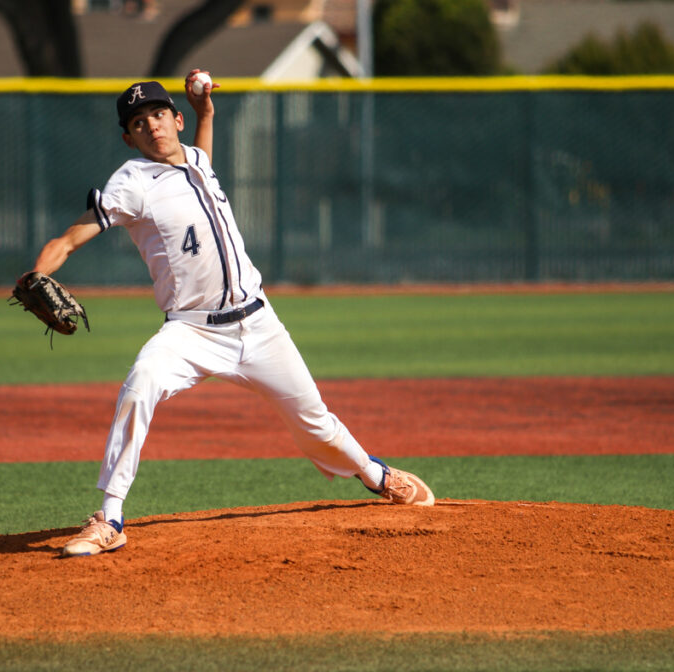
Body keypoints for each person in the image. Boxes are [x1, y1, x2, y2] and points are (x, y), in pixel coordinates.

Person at [30, 72, 435, 558]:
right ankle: (110, 517)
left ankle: (377, 475)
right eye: (138, 122)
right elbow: (68, 240)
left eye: (159, 114)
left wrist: (207, 114)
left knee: (316, 425)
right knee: (140, 384)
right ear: (128, 137)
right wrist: (34, 275)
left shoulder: (198, 161)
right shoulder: (131, 182)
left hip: (259, 325)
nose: (151, 126)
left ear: (175, 119)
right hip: (190, 332)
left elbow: (201, 158)